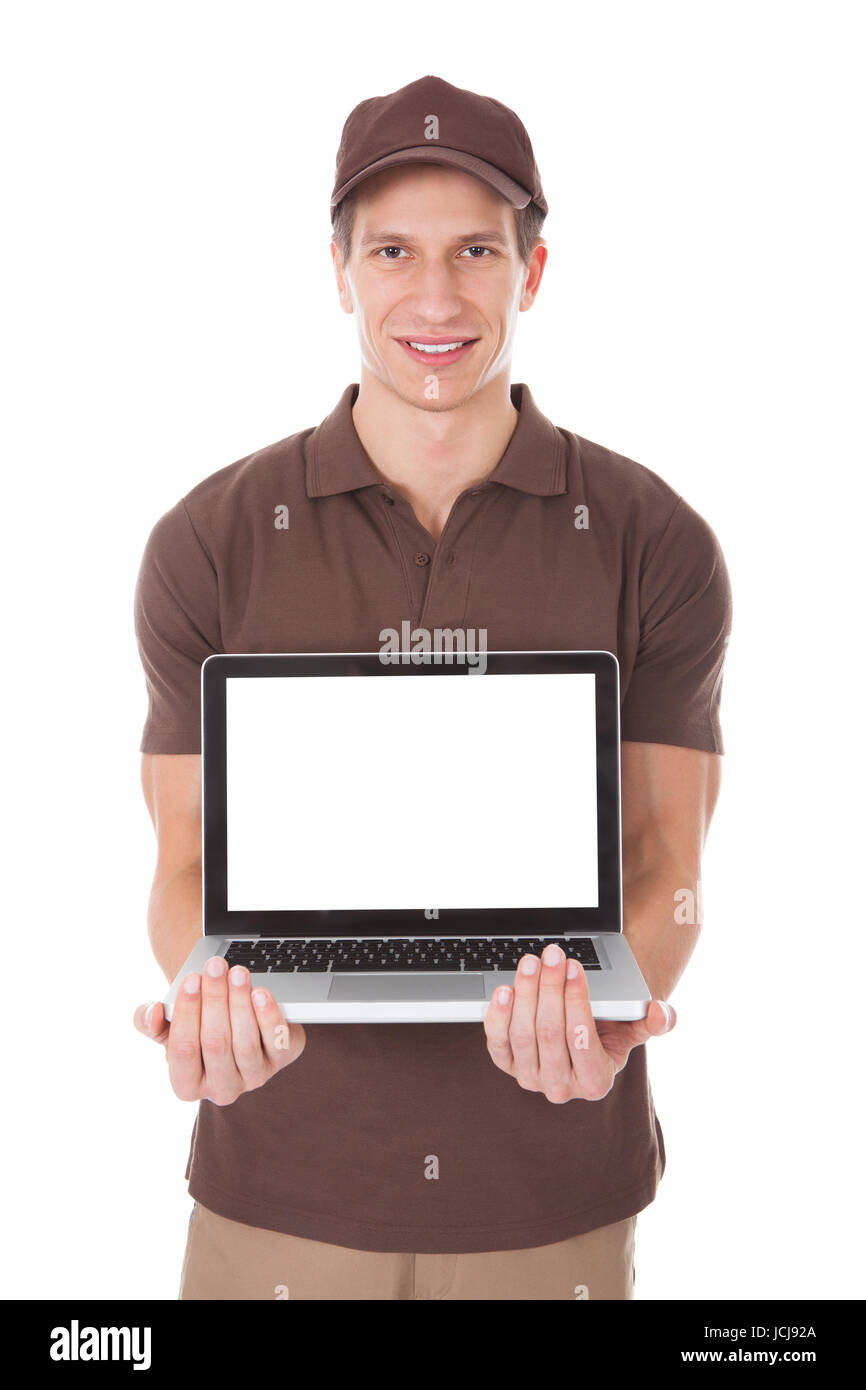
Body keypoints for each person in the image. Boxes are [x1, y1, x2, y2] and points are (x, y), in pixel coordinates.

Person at [133, 74, 732, 1301]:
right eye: (393, 250)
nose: (436, 295)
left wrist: (614, 1014)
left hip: (546, 1189)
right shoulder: (210, 538)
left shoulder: (650, 537)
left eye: (475, 250)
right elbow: (188, 868)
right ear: (339, 271)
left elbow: (670, 868)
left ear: (533, 271)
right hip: (280, 1184)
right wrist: (215, 1003)